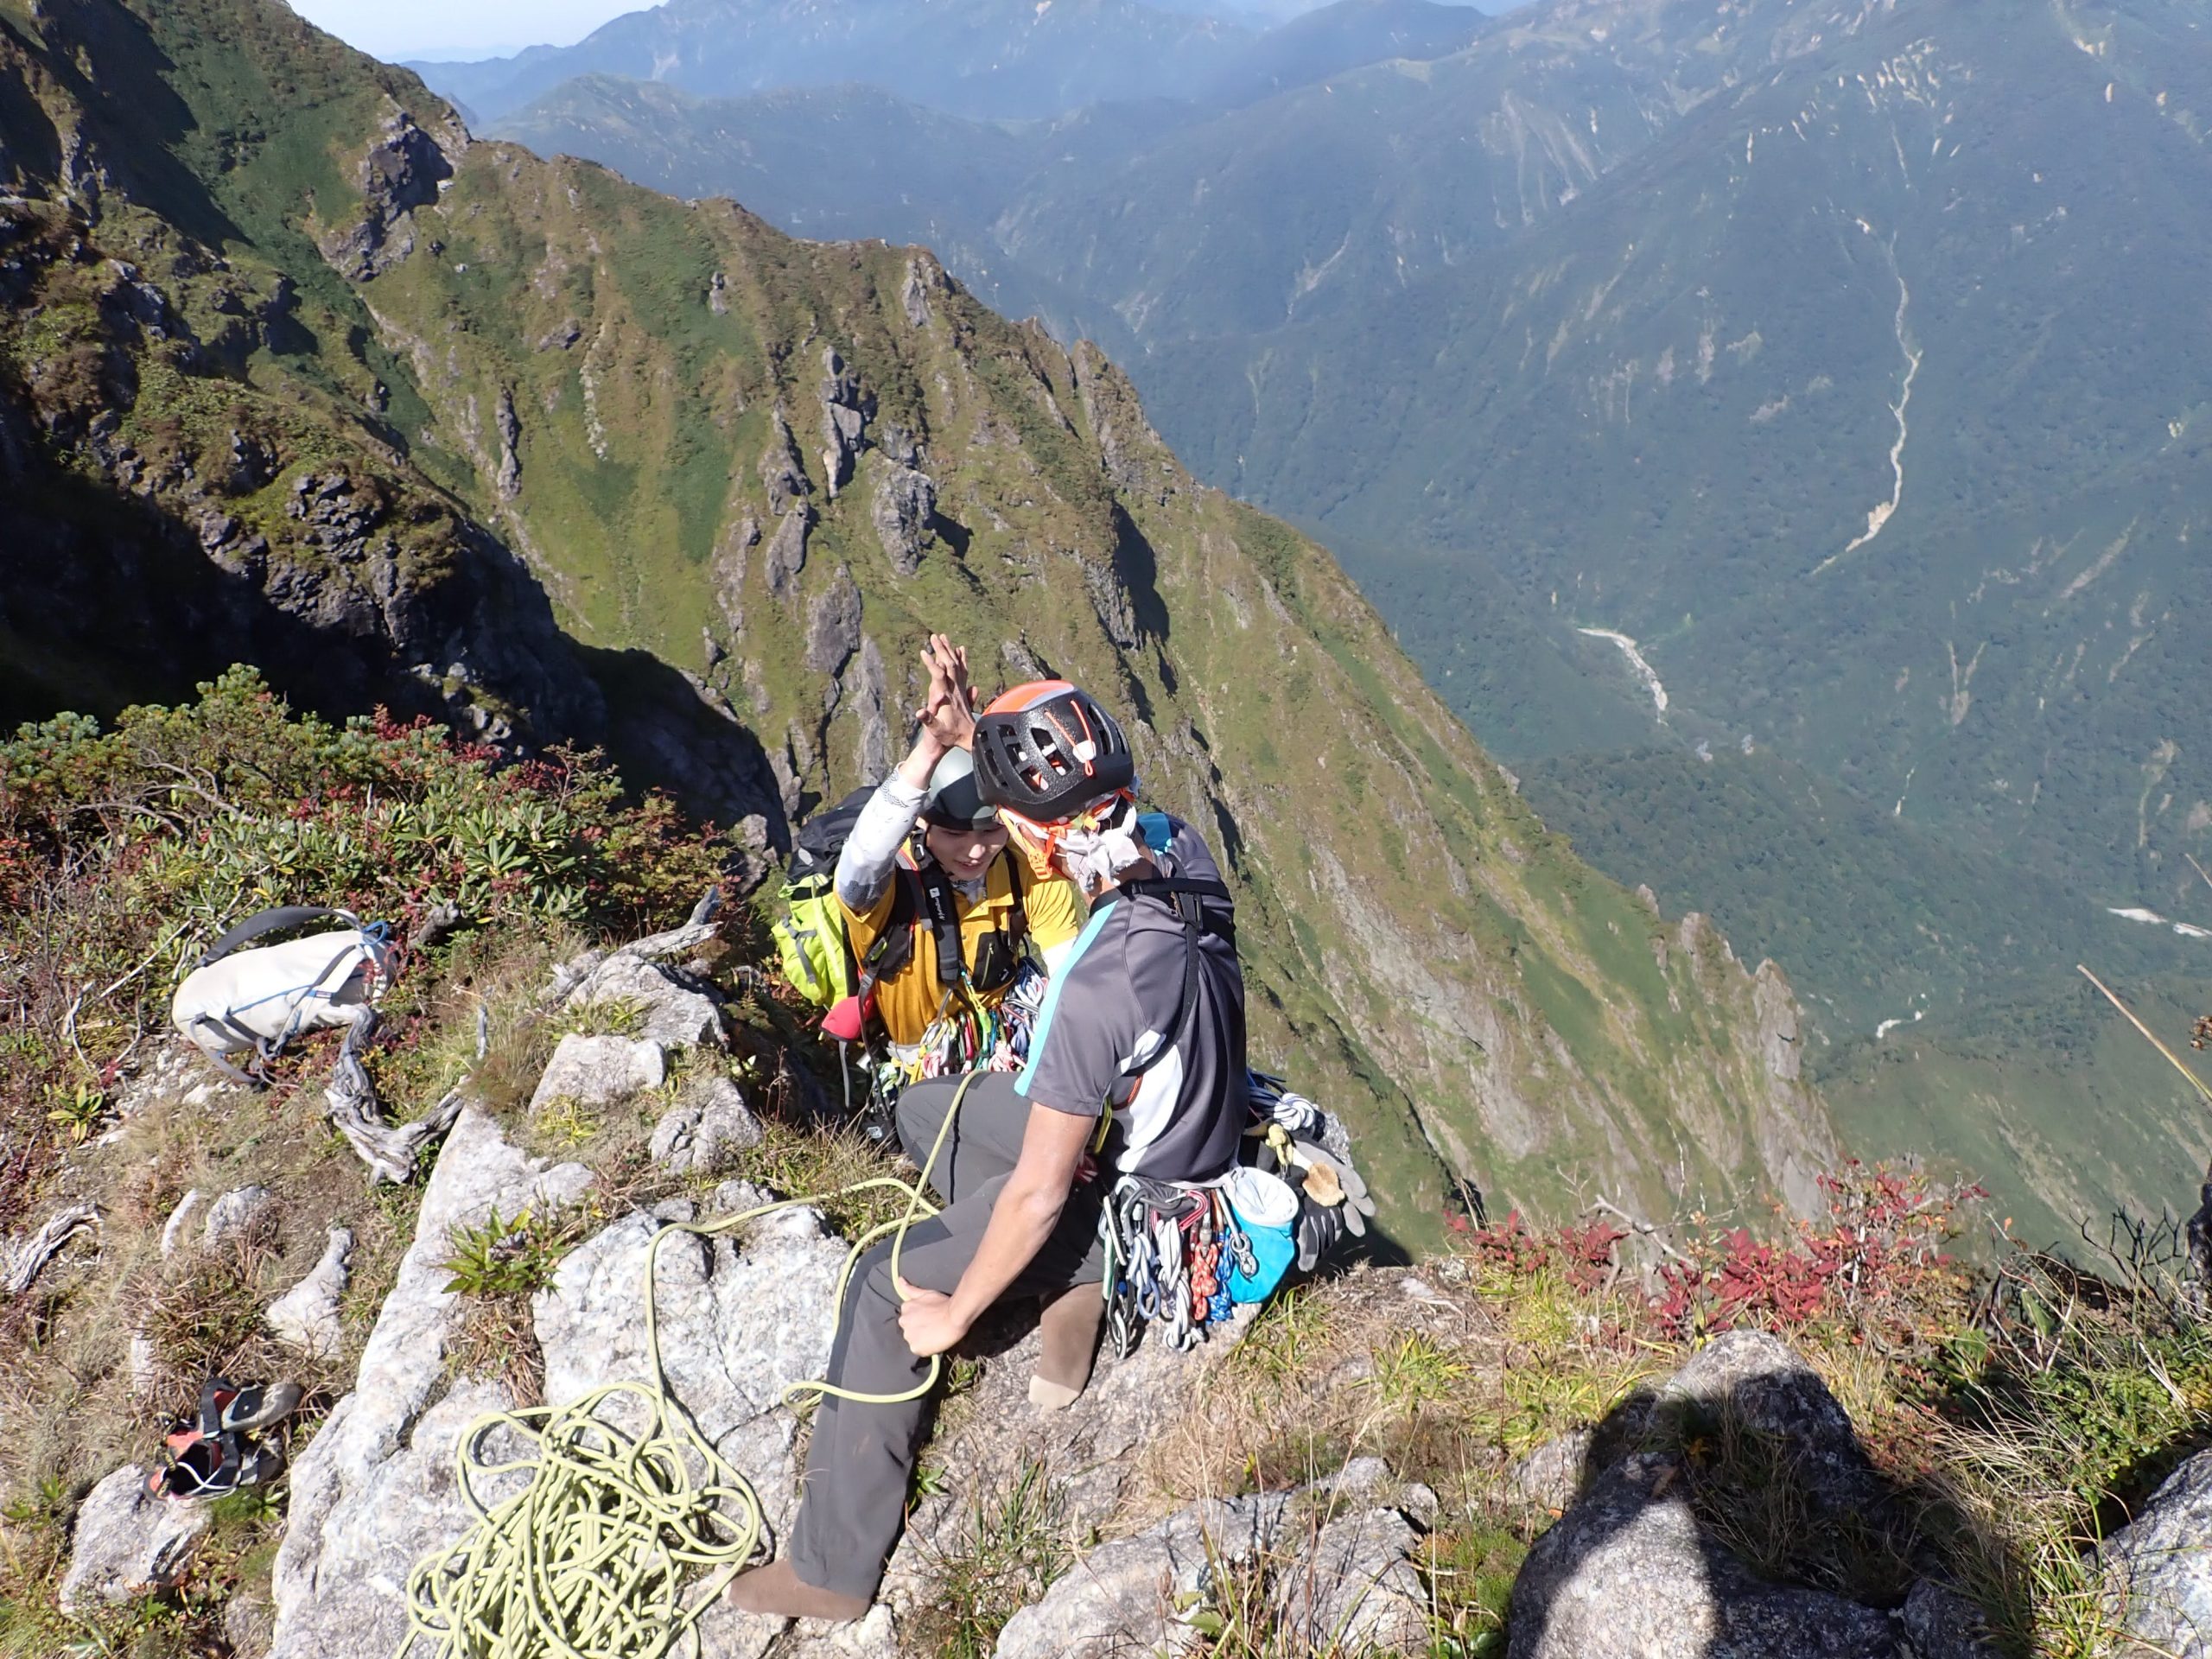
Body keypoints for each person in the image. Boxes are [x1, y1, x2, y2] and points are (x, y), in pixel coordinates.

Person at [726, 679, 1250, 1622]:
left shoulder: (1096, 986)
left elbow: (1041, 1191)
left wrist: (957, 1311)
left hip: (1142, 1204)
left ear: (1025, 834)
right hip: (1183, 1136)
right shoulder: (1178, 848)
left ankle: (831, 1571)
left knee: (880, 1287)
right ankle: (1067, 1283)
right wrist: (968, 742)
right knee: (934, 1108)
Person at [833, 635, 1088, 1074]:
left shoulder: (1023, 865)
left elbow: (1069, 968)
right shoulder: (893, 883)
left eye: (991, 830)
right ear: (920, 822)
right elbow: (863, 858)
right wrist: (930, 750)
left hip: (1007, 1044)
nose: (975, 850)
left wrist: (977, 742)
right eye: (953, 834)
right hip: (921, 1069)